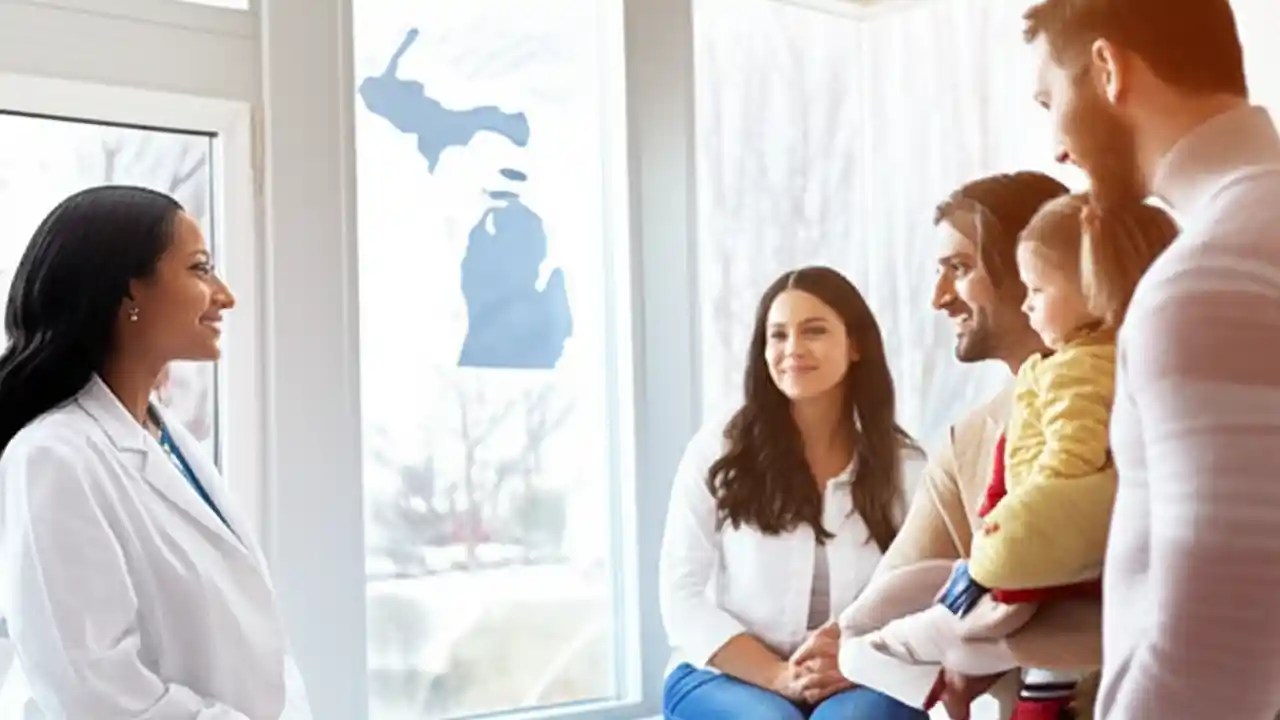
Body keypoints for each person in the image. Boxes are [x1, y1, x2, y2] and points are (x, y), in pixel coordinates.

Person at [1024, 1, 1280, 716]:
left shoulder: (1211, 277)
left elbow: (1217, 654)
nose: (1057, 147)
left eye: (1050, 101)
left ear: (1107, 68)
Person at [857, 193, 1177, 719]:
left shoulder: (1153, 394)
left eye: (960, 268)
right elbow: (899, 584)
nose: (939, 298)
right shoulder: (968, 437)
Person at [0, 186, 311, 718]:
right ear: (129, 293)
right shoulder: (53, 458)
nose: (225, 295)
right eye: (200, 269)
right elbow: (94, 691)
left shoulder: (166, 440)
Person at [659, 266, 927, 719]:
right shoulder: (719, 450)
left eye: (814, 331)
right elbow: (680, 594)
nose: (793, 349)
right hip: (724, 673)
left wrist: (858, 661)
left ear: (855, 345)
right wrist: (777, 676)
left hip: (860, 674)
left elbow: (925, 594)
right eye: (778, 335)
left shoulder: (906, 467)